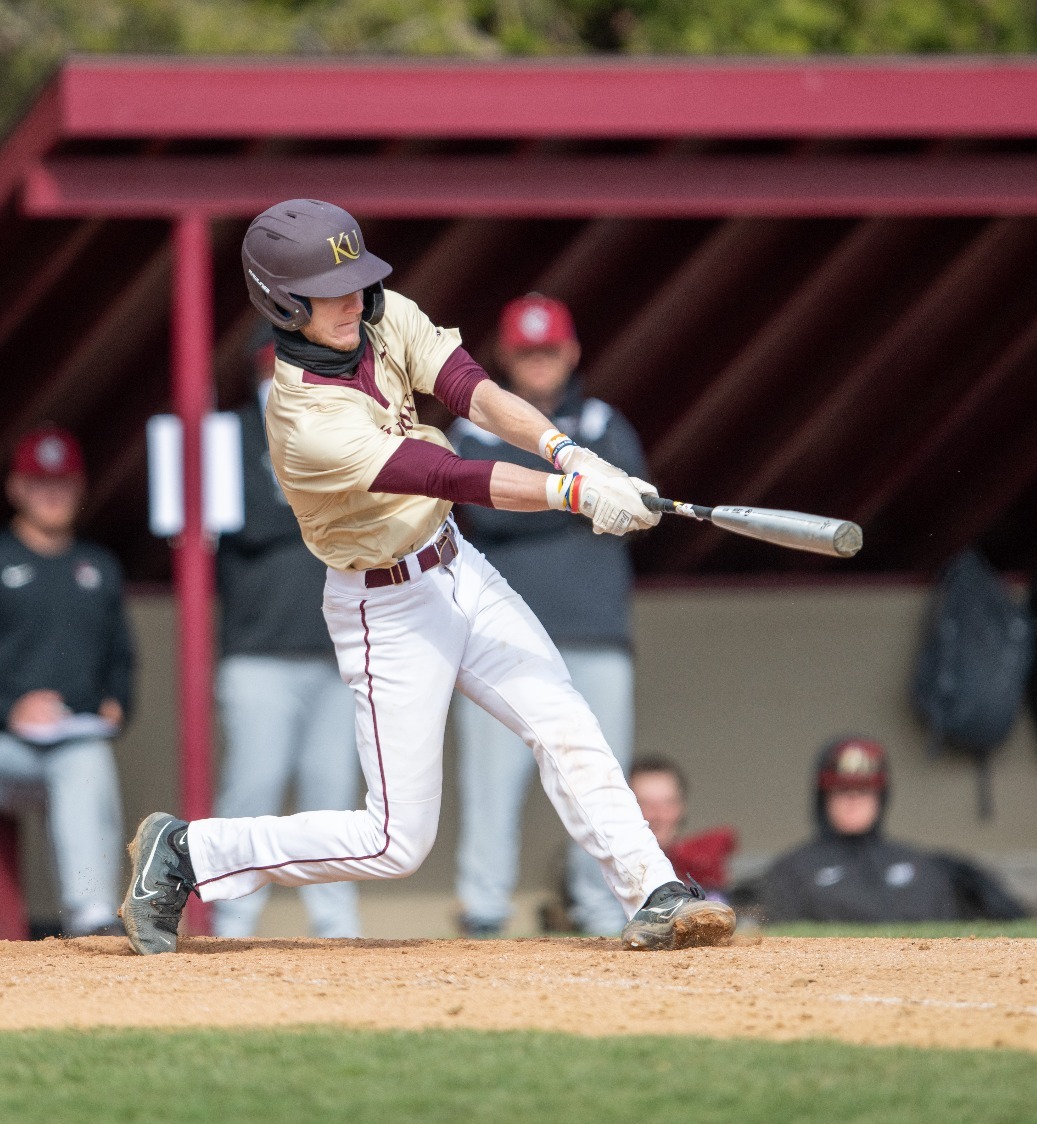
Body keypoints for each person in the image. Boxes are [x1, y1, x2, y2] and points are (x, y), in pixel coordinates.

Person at [120, 198, 732, 955]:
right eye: (328, 287)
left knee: (562, 717)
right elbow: (445, 472)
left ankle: (653, 888)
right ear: (280, 298)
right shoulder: (306, 419)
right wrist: (572, 494)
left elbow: (471, 389)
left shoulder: (379, 316)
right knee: (392, 841)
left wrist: (567, 450)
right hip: (386, 607)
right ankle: (187, 853)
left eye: (355, 279)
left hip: (455, 566)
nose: (352, 299)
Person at [450, 294, 648, 938]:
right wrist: (573, 500)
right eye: (527, 352)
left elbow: (631, 511)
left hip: (595, 633)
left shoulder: (604, 421)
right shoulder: (472, 428)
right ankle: (483, 911)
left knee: (600, 778)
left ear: (572, 352)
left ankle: (600, 909)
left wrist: (535, 497)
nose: (539, 363)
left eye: (550, 350)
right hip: (498, 640)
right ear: (505, 356)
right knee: (490, 784)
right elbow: (482, 512)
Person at [0, 427, 134, 938]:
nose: (53, 495)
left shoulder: (99, 567)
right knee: (84, 762)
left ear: (80, 487)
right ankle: (91, 915)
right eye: (41, 483)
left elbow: (122, 661)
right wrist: (11, 709)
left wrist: (117, 704)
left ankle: (91, 912)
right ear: (17, 489)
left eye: (63, 483)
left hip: (76, 737)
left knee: (85, 756)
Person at [211, 332, 362, 939]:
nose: (283, 376)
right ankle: (231, 917)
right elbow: (246, 520)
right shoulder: (231, 437)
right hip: (258, 649)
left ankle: (335, 921)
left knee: (334, 791)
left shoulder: (344, 425)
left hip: (336, 647)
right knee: (254, 783)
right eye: (272, 366)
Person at [758, 736, 1025, 924]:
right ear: (822, 798)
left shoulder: (924, 866)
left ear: (881, 797)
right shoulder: (790, 871)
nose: (853, 801)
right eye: (842, 790)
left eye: (863, 790)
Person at [628, 756, 738, 899]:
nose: (657, 815)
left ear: (682, 808)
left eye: (668, 803)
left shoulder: (697, 866)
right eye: (643, 804)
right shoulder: (604, 876)